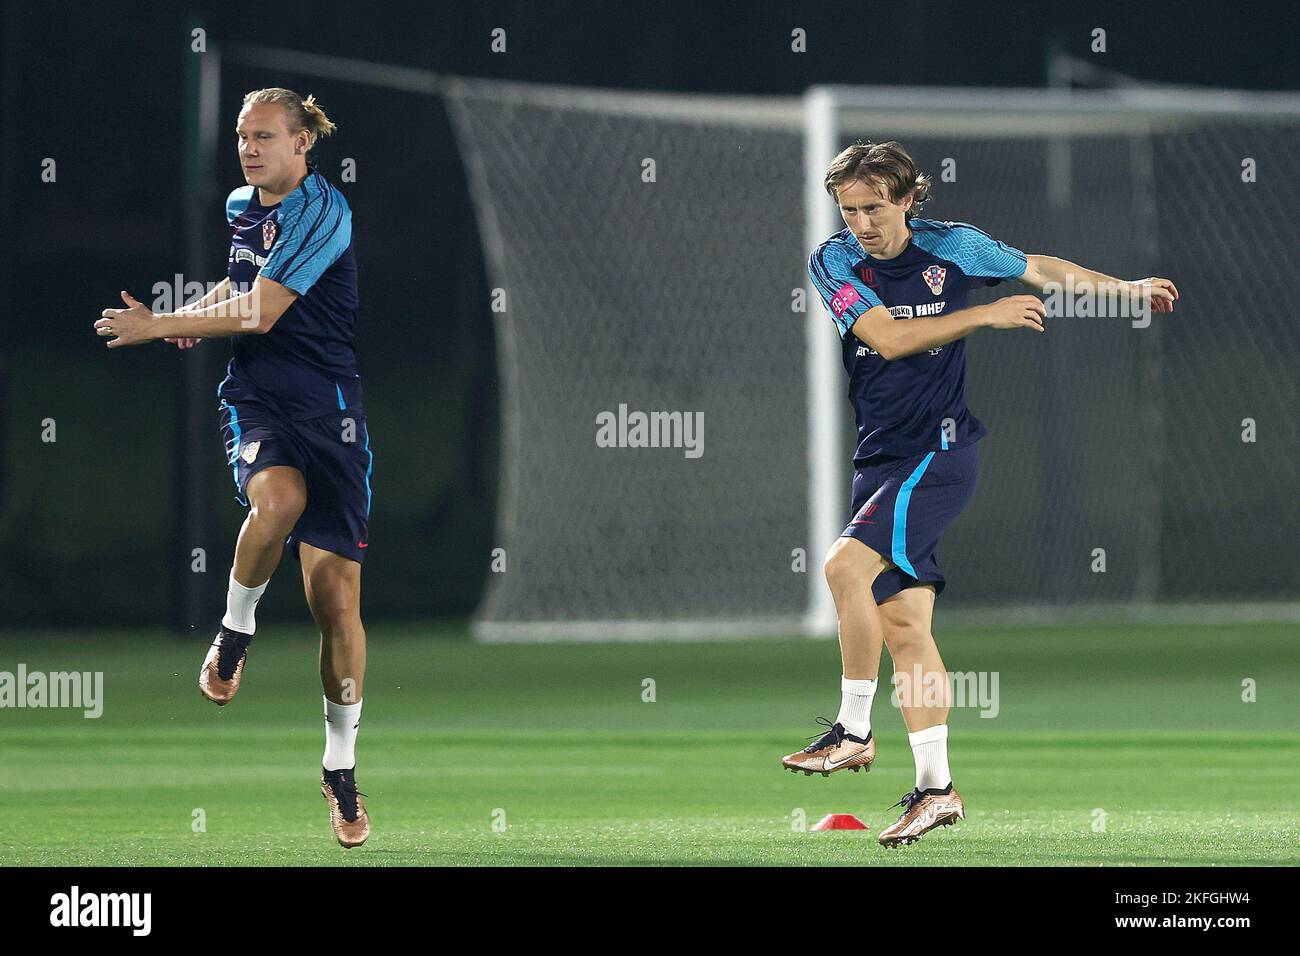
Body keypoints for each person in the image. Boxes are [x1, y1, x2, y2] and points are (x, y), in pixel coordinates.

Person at [791, 141, 1177, 847]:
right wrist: (984, 315)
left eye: (874, 207)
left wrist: (1126, 289)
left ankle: (852, 730)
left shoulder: (953, 247)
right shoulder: (835, 262)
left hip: (938, 453)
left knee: (844, 568)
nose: (862, 224)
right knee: (905, 628)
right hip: (880, 459)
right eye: (849, 210)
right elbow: (887, 338)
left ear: (908, 199)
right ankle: (937, 790)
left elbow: (1041, 268)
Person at [94, 88, 374, 849]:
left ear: (302, 143)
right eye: (243, 137)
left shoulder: (324, 212)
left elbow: (263, 309)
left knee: (336, 604)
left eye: (264, 137)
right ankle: (234, 631)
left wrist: (163, 324)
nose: (249, 149)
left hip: (332, 415)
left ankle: (340, 767)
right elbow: (241, 288)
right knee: (277, 502)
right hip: (258, 401)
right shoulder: (240, 206)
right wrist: (193, 316)